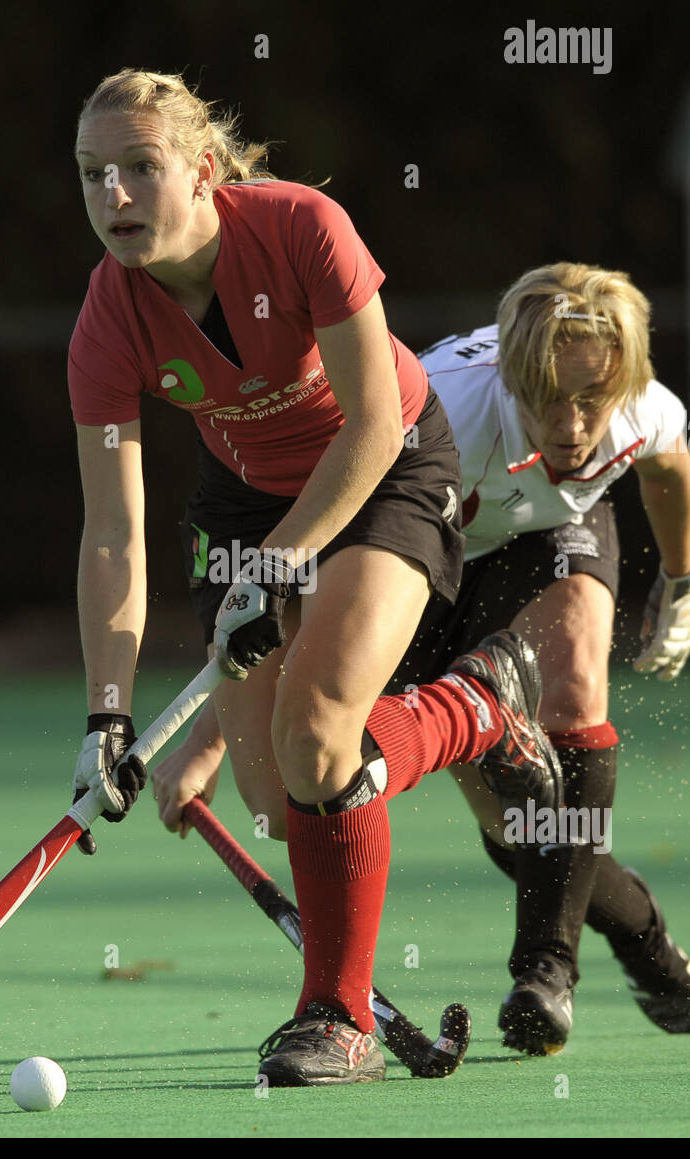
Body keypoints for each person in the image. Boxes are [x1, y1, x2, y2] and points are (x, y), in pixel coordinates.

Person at [68, 69, 561, 1087]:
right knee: (277, 791)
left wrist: (287, 560)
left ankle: (338, 1018)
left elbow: (375, 422)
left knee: (320, 730)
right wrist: (106, 720)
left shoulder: (302, 229)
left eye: (138, 169)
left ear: (202, 171)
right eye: (91, 175)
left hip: (384, 465)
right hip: (244, 501)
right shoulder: (107, 321)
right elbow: (114, 533)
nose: (112, 196)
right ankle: (473, 709)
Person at [153, 262, 690, 1056]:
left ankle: (545, 974)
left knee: (579, 687)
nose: (571, 422)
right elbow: (304, 574)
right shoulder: (443, 404)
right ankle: (645, 937)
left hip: (548, 544)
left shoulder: (638, 405)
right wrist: (213, 736)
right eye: (547, 394)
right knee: (516, 827)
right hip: (424, 562)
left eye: (591, 398)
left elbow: (668, 470)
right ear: (512, 374)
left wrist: (683, 575)